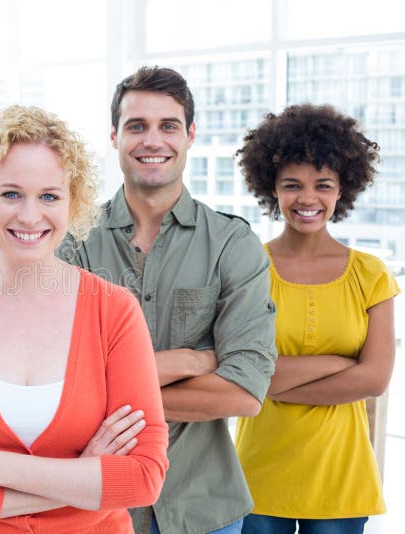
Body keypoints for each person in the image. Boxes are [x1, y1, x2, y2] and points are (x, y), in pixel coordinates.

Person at [0, 105, 168, 533]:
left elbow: (143, 478)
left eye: (48, 196)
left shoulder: (114, 312)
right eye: (11, 194)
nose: (29, 216)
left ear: (72, 202)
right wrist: (82, 477)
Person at [57, 66, 278, 534]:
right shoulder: (73, 242)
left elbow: (244, 392)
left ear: (190, 134)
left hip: (203, 508)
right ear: (115, 136)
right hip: (94, 504)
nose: (152, 140)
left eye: (168, 126)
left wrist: (111, 392)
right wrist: (190, 361)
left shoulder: (231, 244)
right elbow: (58, 381)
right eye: (137, 126)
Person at [233, 104, 400, 534]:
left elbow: (375, 380)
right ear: (272, 188)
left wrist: (272, 383)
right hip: (257, 476)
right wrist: (340, 364)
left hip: (341, 480)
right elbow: (246, 375)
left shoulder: (371, 274)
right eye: (292, 185)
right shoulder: (247, 268)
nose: (308, 199)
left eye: (322, 185)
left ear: (342, 189)